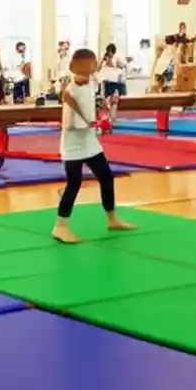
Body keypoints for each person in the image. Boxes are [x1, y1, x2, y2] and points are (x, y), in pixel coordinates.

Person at [52, 48, 136, 244]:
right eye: (91, 63)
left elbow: (92, 109)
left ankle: (112, 218)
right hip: (73, 144)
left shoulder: (91, 84)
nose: (95, 65)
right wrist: (90, 123)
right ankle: (60, 226)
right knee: (74, 183)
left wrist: (102, 115)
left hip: (89, 142)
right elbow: (67, 125)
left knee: (106, 177)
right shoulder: (70, 91)